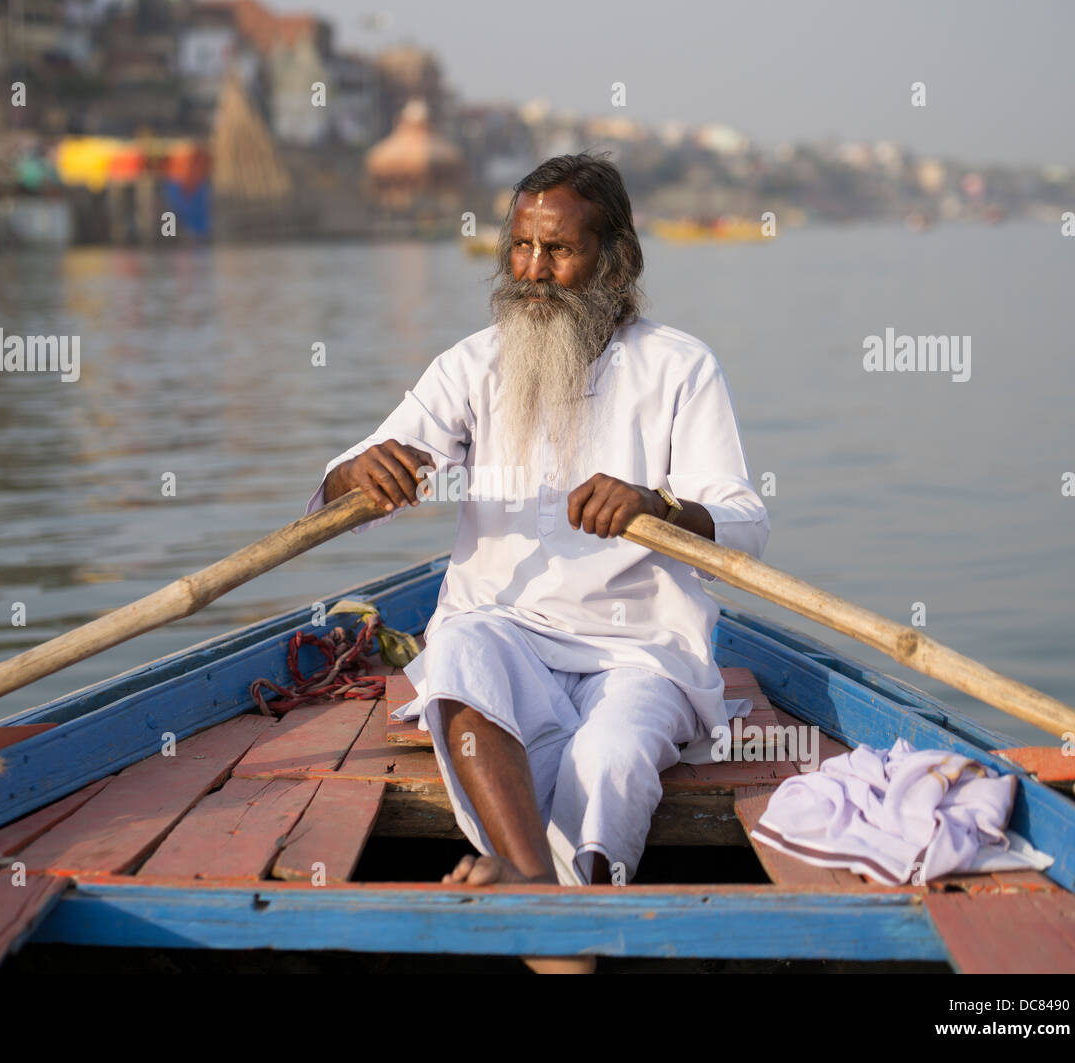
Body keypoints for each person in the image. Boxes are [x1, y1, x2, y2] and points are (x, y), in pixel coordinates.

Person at [307, 153, 769, 890]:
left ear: (617, 263)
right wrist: (358, 474)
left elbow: (746, 526)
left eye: (558, 250)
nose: (531, 270)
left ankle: (552, 916)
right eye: (520, 247)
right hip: (505, 633)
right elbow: (346, 484)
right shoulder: (474, 364)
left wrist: (659, 505)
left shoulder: (681, 368)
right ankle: (529, 879)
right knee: (457, 649)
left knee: (612, 758)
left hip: (640, 652)